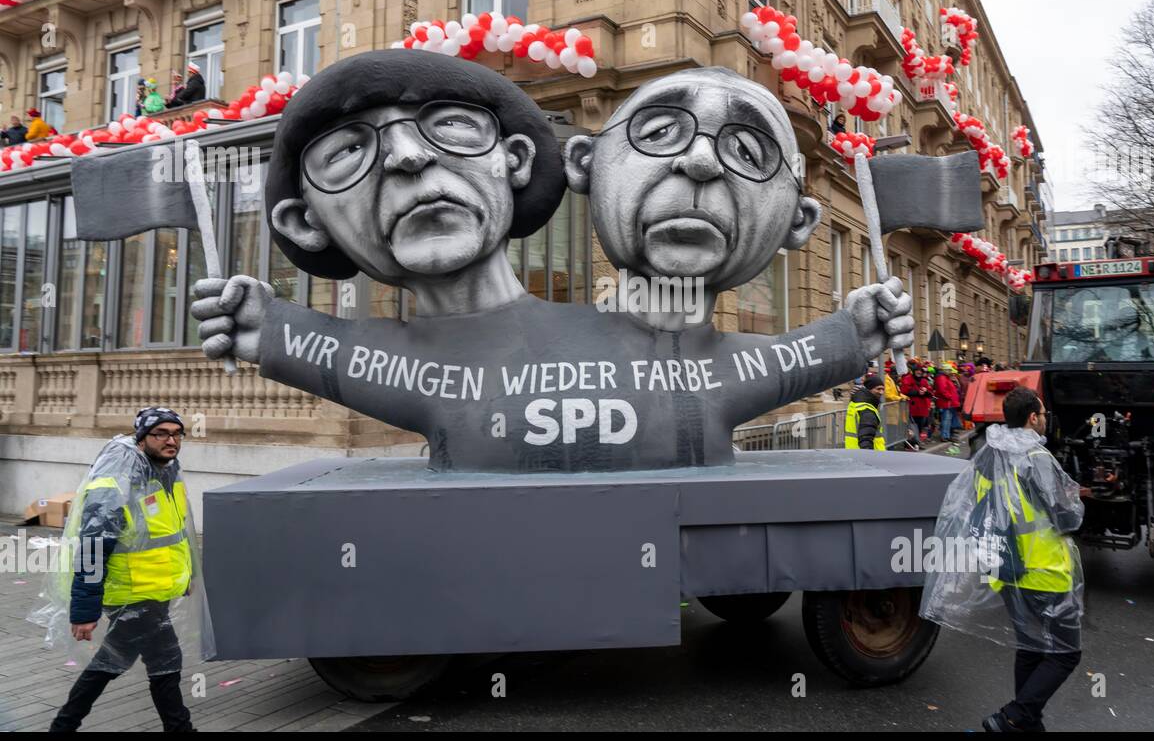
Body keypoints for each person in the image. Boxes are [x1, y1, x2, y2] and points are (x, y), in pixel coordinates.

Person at [192, 52, 915, 472]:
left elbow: (729, 371)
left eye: (449, 127)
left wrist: (850, 338)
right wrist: (274, 331)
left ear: (514, 162)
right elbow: (402, 369)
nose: (410, 158)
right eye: (350, 151)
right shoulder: (424, 366)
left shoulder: (678, 349)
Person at [920, 386, 1084, 731]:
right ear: (1032, 418)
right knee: (1067, 652)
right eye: (1041, 414)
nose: (1044, 419)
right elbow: (1067, 517)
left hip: (1005, 570)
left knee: (1030, 646)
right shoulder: (1037, 459)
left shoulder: (988, 455)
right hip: (1044, 570)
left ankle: (1028, 723)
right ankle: (1015, 716)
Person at [43, 408, 202, 732]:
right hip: (131, 594)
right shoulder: (116, 482)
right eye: (161, 434)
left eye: (177, 433)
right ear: (142, 439)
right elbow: (92, 547)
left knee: (116, 662)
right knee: (163, 662)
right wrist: (84, 610)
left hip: (152, 590)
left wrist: (185, 576)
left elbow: (174, 534)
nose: (171, 440)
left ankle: (63, 726)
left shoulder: (165, 473)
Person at [845, 374, 887, 450]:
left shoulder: (856, 402)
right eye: (878, 389)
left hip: (854, 452)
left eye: (883, 389)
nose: (881, 392)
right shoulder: (867, 409)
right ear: (869, 389)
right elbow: (866, 440)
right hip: (872, 456)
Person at [899, 360, 934, 443]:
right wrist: (918, 392)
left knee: (920, 426)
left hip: (922, 409)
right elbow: (904, 391)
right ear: (914, 371)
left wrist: (926, 392)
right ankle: (911, 443)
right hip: (912, 408)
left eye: (920, 371)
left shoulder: (924, 381)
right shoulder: (908, 379)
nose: (919, 372)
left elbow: (930, 393)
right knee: (911, 426)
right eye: (917, 370)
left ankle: (917, 442)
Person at [934, 364, 961, 442]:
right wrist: (950, 397)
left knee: (948, 420)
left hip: (949, 402)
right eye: (949, 370)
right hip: (946, 403)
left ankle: (946, 435)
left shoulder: (945, 377)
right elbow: (943, 390)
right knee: (946, 420)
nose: (950, 372)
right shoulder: (942, 378)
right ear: (945, 370)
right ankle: (945, 436)